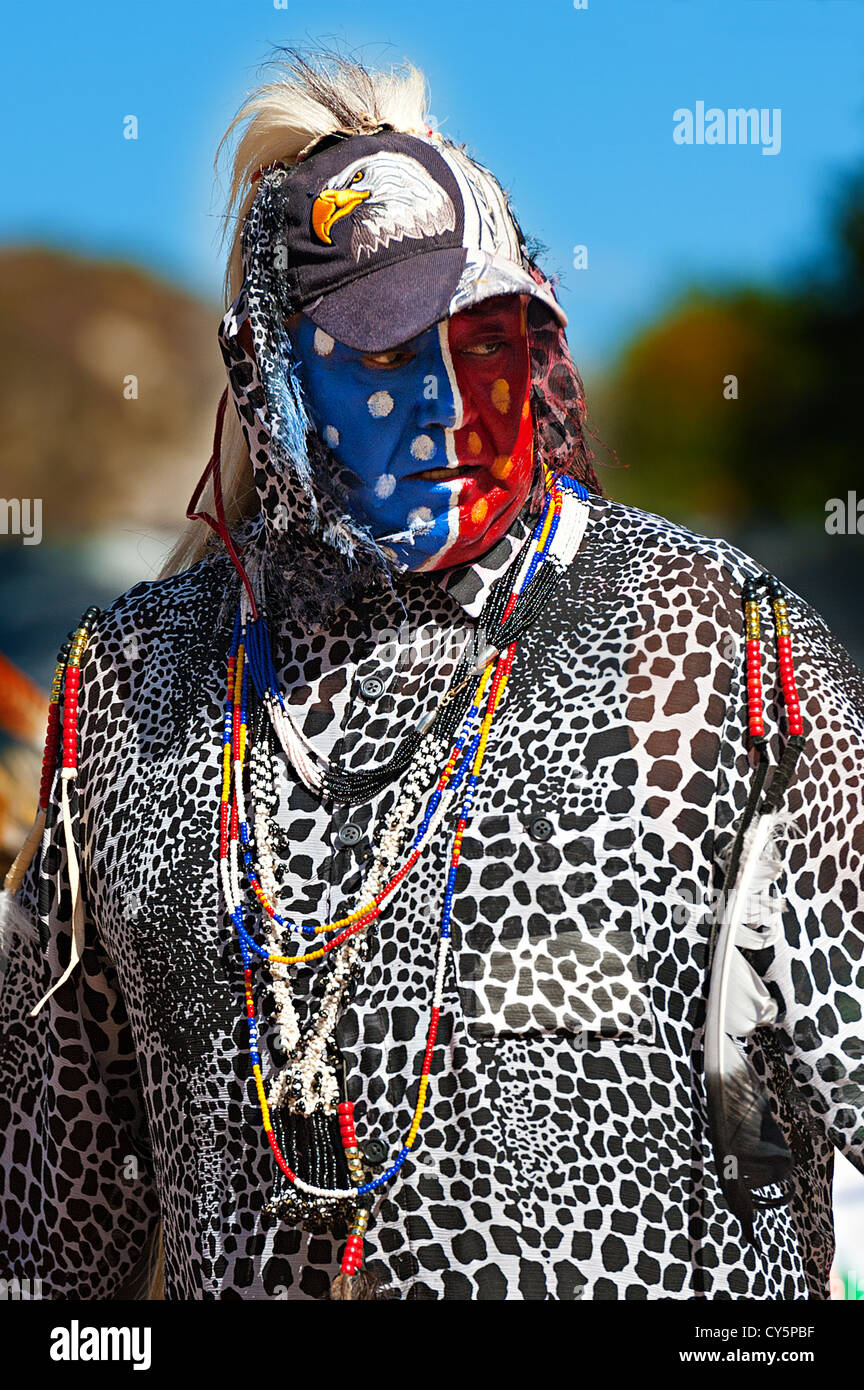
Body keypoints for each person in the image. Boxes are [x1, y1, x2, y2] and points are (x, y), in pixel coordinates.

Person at [1, 50, 862, 1303]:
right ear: (269, 376)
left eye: (490, 337)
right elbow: (50, 1245)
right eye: (391, 355)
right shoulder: (130, 697)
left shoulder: (722, 649)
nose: (455, 405)